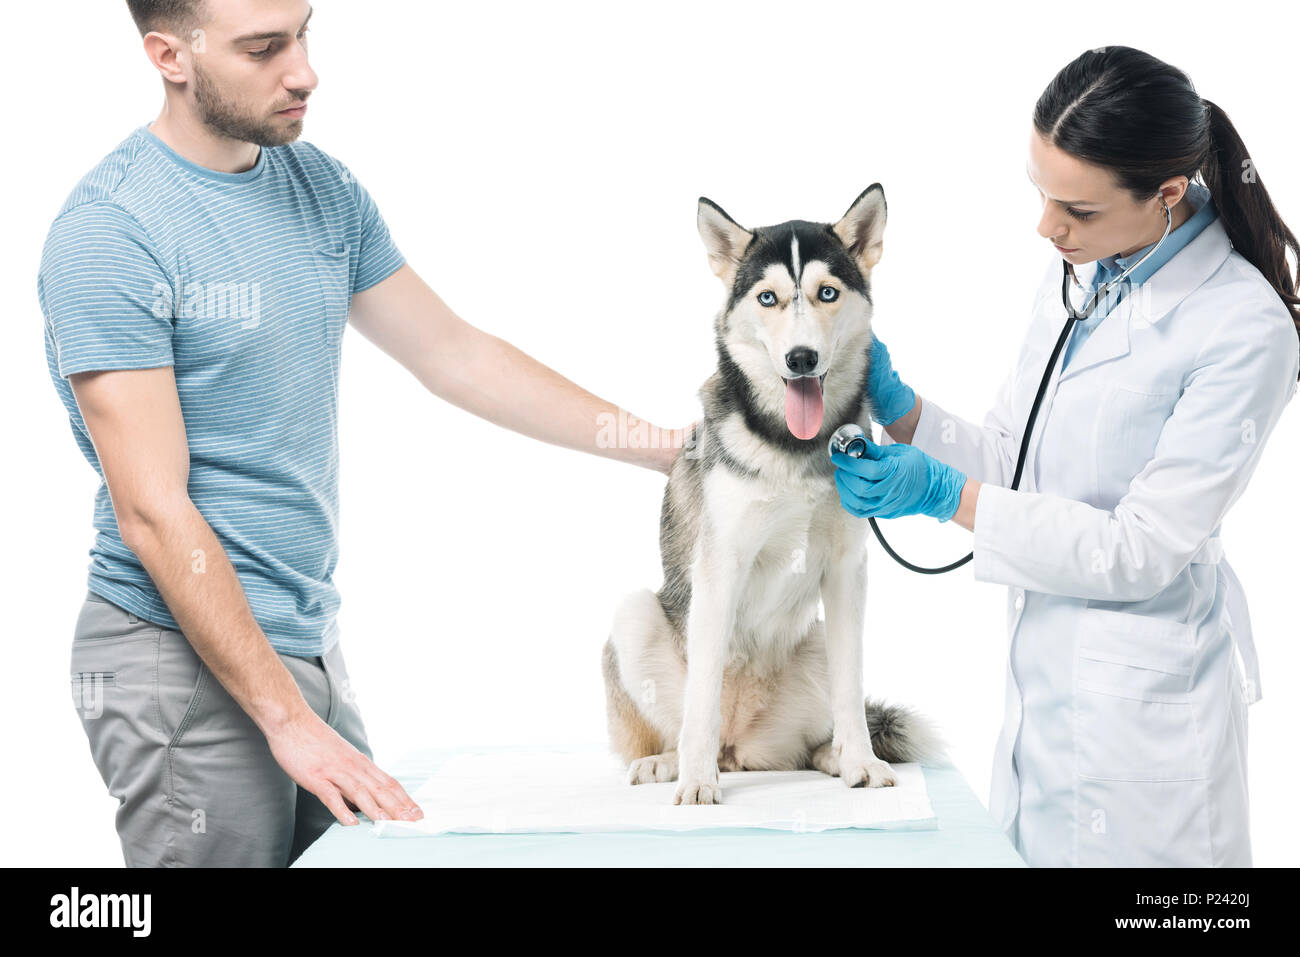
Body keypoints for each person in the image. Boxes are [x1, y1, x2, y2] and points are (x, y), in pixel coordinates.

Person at [42, 0, 689, 867]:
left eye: (305, 32)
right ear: (169, 55)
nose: (305, 70)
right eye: (264, 48)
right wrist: (286, 720)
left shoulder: (321, 190)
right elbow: (153, 511)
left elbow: (455, 354)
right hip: (177, 659)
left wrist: (668, 450)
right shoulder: (112, 232)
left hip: (303, 641)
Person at [831, 46, 1300, 866]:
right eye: (1042, 192)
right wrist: (904, 414)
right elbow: (1018, 458)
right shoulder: (1080, 275)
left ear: (1166, 193)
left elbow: (1142, 548)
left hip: (1150, 741)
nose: (1046, 227)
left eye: (1075, 210)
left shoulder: (1244, 329)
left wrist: (943, 495)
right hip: (1042, 714)